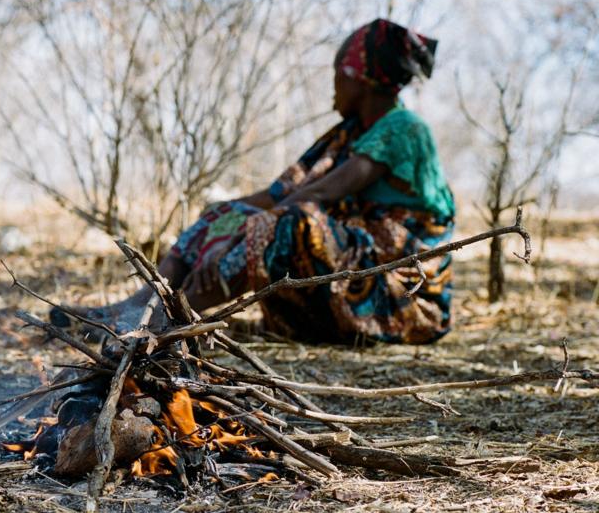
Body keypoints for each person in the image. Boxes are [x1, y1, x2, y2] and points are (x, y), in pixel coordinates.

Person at [66, 19, 455, 345]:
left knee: (289, 223)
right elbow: (279, 193)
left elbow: (320, 193)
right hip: (347, 285)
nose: (333, 86)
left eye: (338, 75)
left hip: (400, 299)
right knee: (228, 212)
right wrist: (224, 218)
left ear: (361, 79)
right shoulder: (350, 134)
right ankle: (133, 308)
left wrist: (244, 235)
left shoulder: (403, 127)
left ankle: (164, 322)